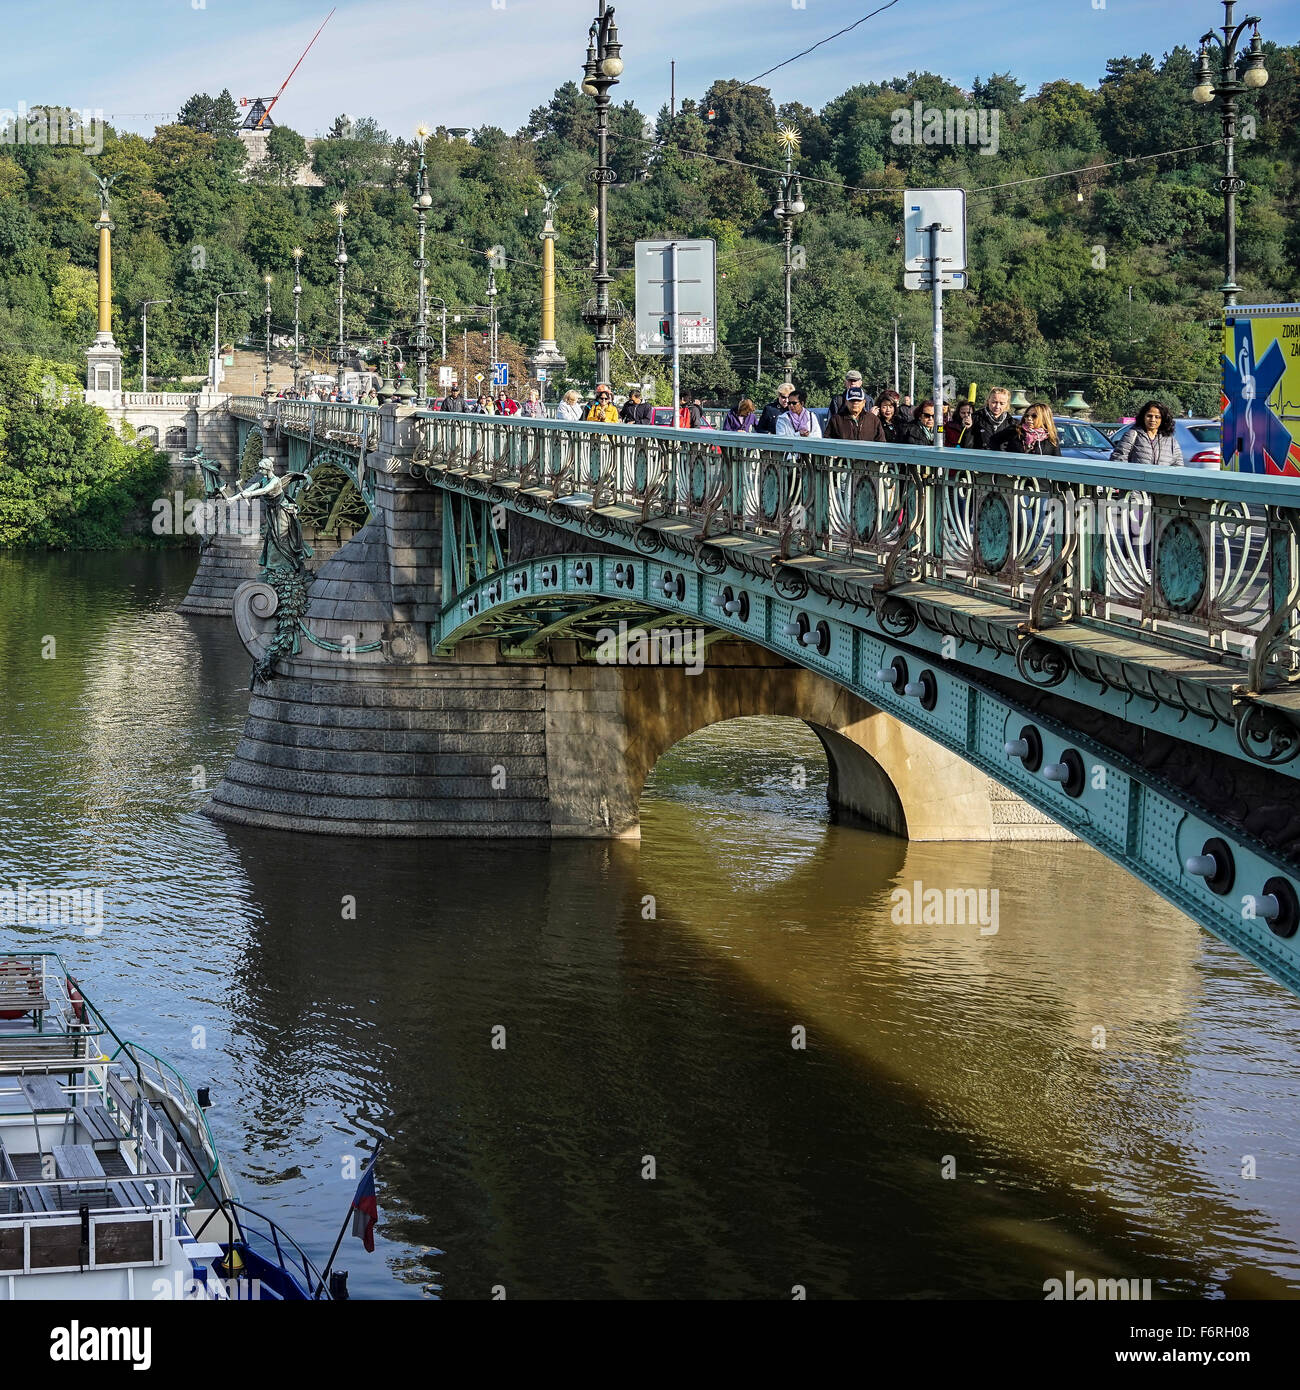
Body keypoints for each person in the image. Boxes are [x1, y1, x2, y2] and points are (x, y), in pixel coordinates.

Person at [1110, 401, 1183, 467]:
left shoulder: (1171, 441)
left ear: (1163, 419)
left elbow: (1178, 466)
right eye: (1149, 416)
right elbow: (1118, 458)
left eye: (1157, 417)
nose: (1153, 420)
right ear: (1143, 417)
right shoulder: (1132, 434)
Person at [989, 401, 1061, 455]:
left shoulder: (1052, 439)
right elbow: (993, 441)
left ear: (1044, 418)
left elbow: (1057, 461)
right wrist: (1004, 457)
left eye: (1034, 416)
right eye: (1027, 416)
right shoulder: (1015, 431)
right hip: (1014, 473)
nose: (1029, 418)